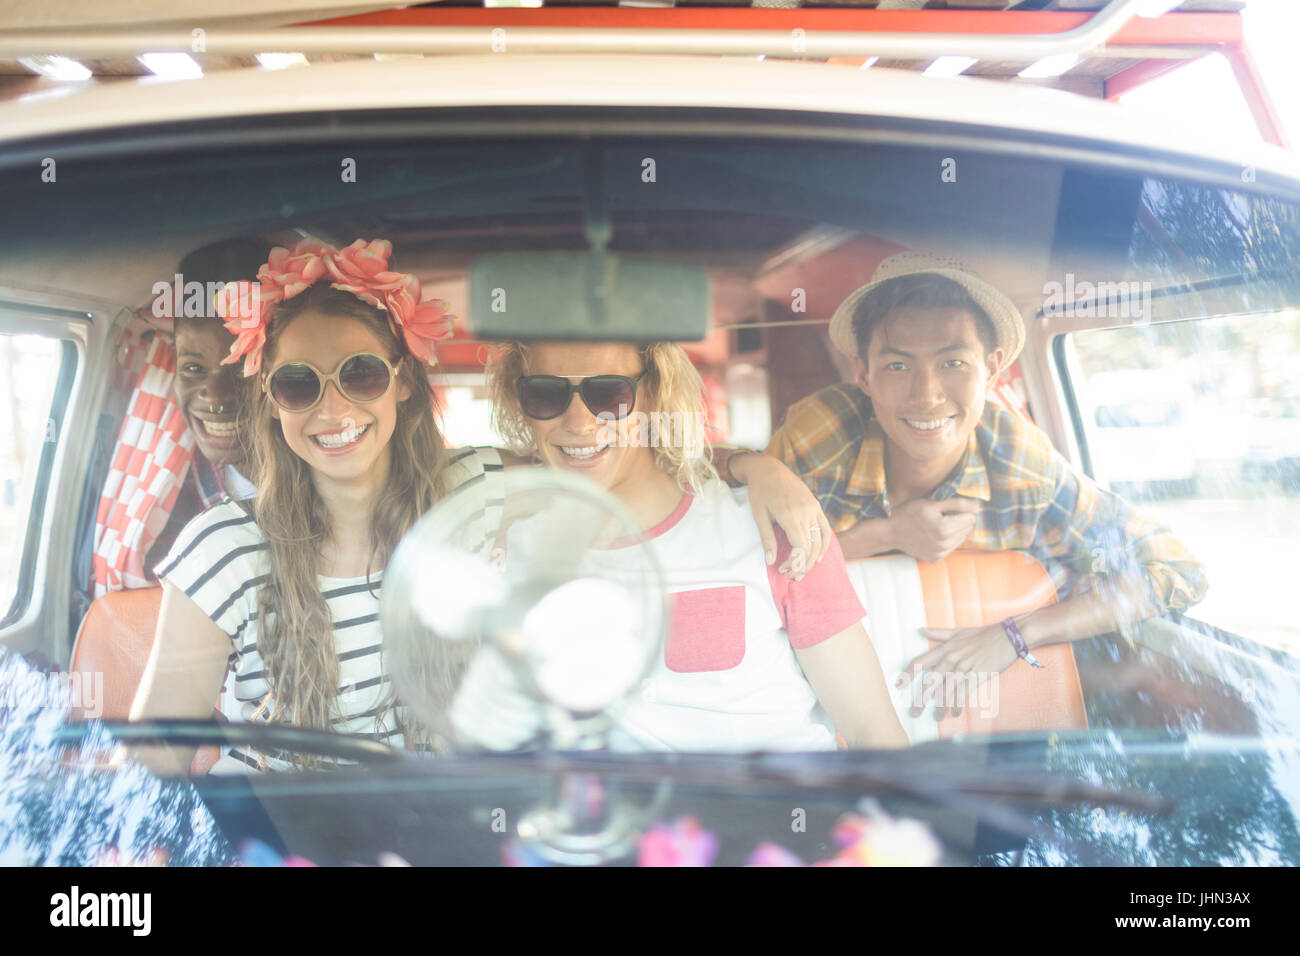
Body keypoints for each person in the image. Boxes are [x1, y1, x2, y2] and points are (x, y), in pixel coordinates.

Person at [766, 252, 1208, 705]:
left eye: (953, 363)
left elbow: (1173, 567)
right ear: (863, 373)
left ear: (992, 370)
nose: (927, 396)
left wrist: (1017, 633)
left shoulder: (1020, 465)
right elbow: (736, 567)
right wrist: (886, 535)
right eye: (898, 366)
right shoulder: (817, 440)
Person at [129, 238, 481, 774]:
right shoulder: (219, 550)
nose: (334, 408)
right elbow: (151, 770)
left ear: (403, 380)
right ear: (270, 399)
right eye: (298, 384)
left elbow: (589, 465)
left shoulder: (473, 489)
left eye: (360, 374)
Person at [461, 339, 908, 752]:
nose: (578, 423)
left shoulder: (771, 527)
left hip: (767, 823)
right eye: (545, 394)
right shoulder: (504, 545)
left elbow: (874, 734)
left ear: (655, 395)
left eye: (608, 396)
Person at [91, 238, 268, 596]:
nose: (215, 396)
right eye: (192, 368)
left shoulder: (329, 476)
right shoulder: (169, 492)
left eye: (243, 367)